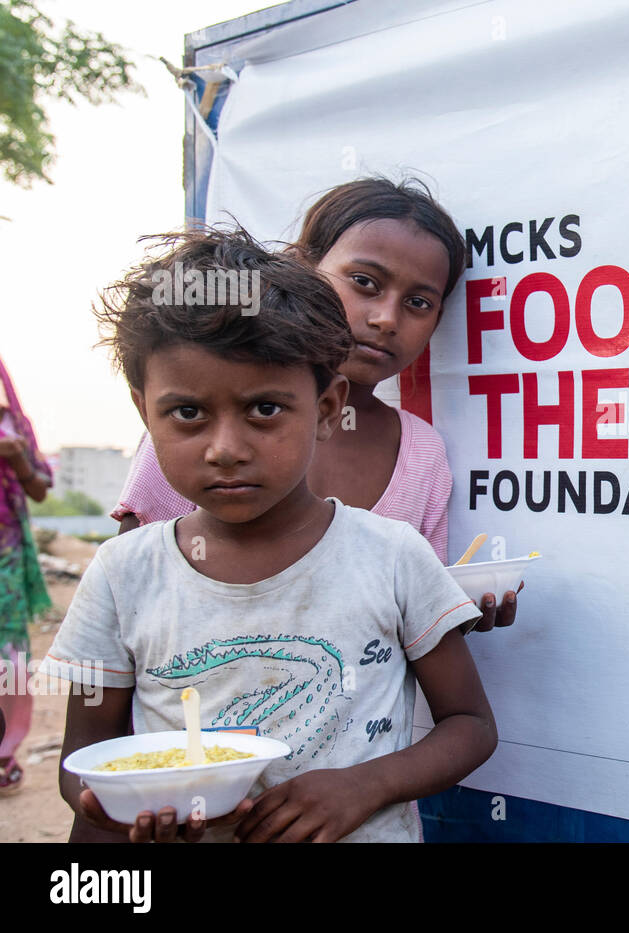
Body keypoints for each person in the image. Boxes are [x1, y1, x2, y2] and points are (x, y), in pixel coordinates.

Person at [42, 228, 496, 841]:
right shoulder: (124, 574)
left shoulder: (391, 556)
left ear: (330, 409)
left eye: (264, 410)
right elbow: (88, 757)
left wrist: (368, 785)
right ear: (143, 409)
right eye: (187, 414)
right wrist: (127, 812)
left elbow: (468, 724)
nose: (226, 450)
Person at [114, 177, 520, 631]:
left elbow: (413, 612)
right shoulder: (205, 432)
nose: (387, 318)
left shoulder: (421, 453)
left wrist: (452, 616)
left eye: (418, 302)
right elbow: (129, 594)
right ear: (303, 267)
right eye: (364, 282)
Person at [0, 355, 53, 795]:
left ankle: (4, 753)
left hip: (6, 557)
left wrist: (17, 458)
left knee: (8, 660)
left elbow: (39, 487)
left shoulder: (13, 425)